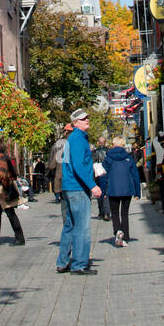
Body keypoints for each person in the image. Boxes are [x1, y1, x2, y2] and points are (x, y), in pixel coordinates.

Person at [56, 109, 102, 275]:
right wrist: (93, 185)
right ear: (75, 123)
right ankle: (79, 264)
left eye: (87, 117)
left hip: (69, 187)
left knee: (69, 225)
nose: (87, 120)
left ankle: (62, 262)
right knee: (81, 227)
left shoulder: (73, 138)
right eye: (83, 119)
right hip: (77, 188)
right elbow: (78, 166)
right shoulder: (78, 139)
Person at [102, 136, 141, 246]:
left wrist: (104, 191)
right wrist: (137, 192)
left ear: (113, 144)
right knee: (124, 214)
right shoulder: (128, 158)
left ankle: (117, 231)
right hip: (127, 189)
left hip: (113, 189)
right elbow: (135, 175)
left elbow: (104, 175)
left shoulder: (108, 158)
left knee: (114, 213)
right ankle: (126, 236)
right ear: (123, 145)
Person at [0, 138, 25, 245]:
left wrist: (4, 185)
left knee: (9, 213)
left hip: (2, 188)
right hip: (7, 186)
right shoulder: (6, 157)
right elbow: (13, 173)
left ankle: (19, 238)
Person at [49, 125, 71, 205]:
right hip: (70, 173)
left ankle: (58, 197)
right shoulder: (75, 141)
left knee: (59, 183)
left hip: (60, 169)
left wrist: (51, 166)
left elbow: (54, 158)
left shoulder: (59, 143)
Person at [92, 135, 110, 219]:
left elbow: (92, 164)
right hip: (107, 173)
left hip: (98, 174)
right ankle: (107, 212)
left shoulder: (95, 152)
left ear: (98, 143)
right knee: (107, 193)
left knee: (99, 193)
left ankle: (101, 212)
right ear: (105, 143)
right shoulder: (109, 151)